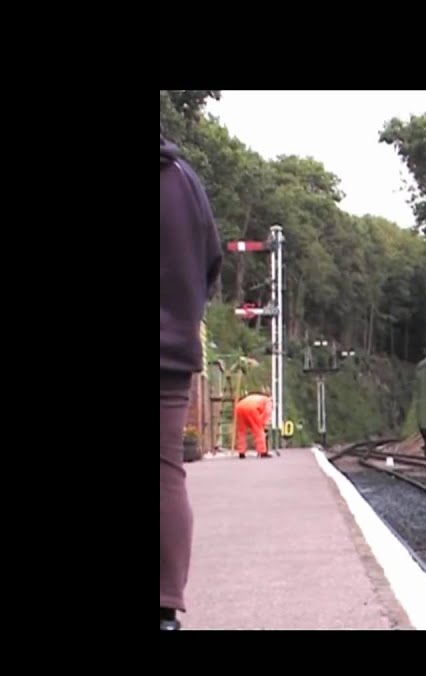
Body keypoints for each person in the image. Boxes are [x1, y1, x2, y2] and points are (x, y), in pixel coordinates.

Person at [160, 127, 223, 630]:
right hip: (172, 354)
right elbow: (211, 260)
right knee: (165, 473)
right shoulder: (185, 179)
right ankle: (164, 607)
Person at [234, 390, 273, 459]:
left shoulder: (255, 397)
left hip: (239, 406)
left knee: (241, 431)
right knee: (259, 431)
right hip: (252, 408)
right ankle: (263, 452)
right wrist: (264, 425)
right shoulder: (268, 400)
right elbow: (267, 412)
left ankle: (241, 452)